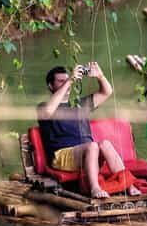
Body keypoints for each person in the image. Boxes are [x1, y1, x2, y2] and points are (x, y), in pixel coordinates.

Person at [37, 64, 140, 198]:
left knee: (105, 144)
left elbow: (106, 92)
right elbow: (48, 112)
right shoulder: (44, 106)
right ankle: (95, 188)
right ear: (51, 86)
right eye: (60, 81)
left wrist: (100, 76)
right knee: (92, 146)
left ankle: (128, 185)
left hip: (90, 153)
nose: (67, 84)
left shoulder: (80, 103)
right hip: (62, 156)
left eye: (67, 79)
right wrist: (69, 81)